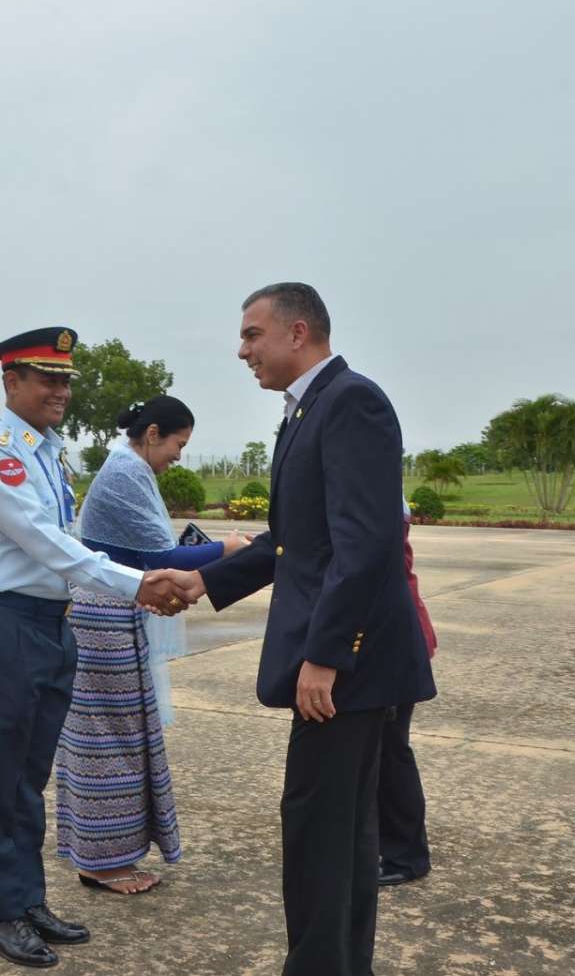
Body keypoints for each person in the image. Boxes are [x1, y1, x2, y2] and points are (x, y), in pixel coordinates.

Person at [160, 283, 436, 976]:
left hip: (349, 666)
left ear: (298, 331)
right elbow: (296, 539)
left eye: (253, 334)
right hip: (348, 659)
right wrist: (208, 579)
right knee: (339, 834)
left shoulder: (351, 402)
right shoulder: (309, 408)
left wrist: (326, 655)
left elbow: (364, 543)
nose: (242, 348)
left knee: (319, 832)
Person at [0, 327, 187, 969]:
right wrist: (138, 583)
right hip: (6, 624)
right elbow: (47, 543)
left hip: (52, 623)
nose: (59, 390)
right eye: (44, 378)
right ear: (11, 382)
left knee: (30, 777)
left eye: (64, 380)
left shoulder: (47, 452)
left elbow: (67, 542)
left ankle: (26, 899)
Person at [58, 395, 249, 895]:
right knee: (110, 742)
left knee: (123, 736)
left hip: (114, 610)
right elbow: (162, 554)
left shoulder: (129, 469)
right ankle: (102, 863)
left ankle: (106, 856)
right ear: (152, 434)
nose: (179, 456)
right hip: (103, 616)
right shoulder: (125, 473)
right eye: (178, 445)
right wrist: (226, 550)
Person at [379, 502, 439, 887]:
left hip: (393, 642)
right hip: (396, 637)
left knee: (389, 752)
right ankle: (396, 847)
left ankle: (407, 855)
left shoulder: (378, 500)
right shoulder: (383, 494)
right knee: (387, 751)